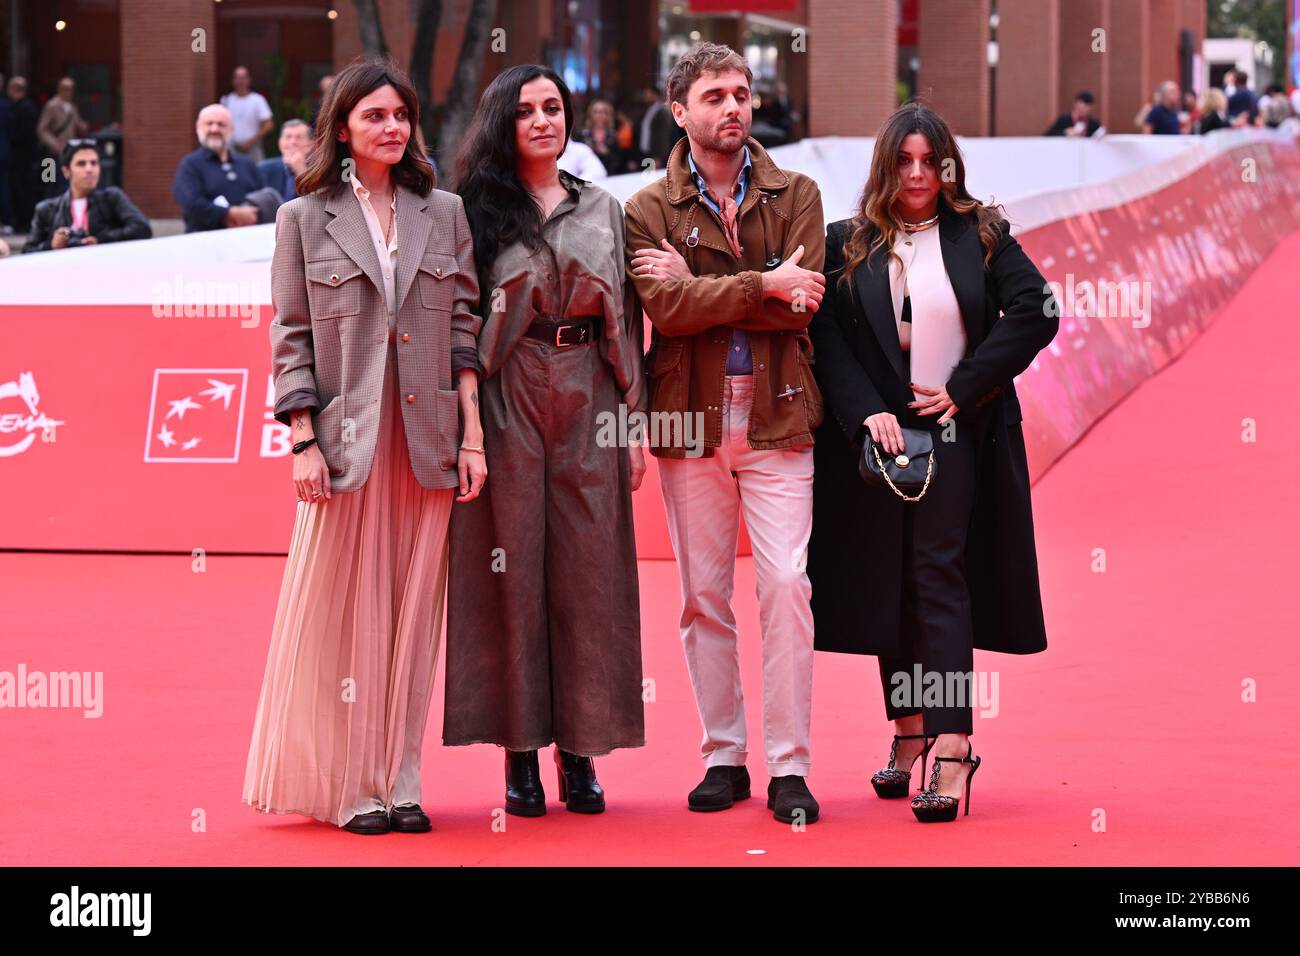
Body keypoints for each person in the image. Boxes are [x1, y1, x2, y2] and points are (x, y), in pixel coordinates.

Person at [243, 58, 485, 835]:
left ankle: (400, 781)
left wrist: (473, 437)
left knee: (414, 618)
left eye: (401, 115)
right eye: (375, 115)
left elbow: (462, 331)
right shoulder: (302, 218)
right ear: (342, 126)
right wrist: (302, 440)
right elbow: (290, 339)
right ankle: (350, 786)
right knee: (346, 615)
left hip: (428, 440)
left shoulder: (442, 211)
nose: (392, 128)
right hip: (345, 444)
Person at [806, 101, 1058, 823]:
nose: (917, 173)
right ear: (887, 166)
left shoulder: (981, 233)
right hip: (880, 444)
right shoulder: (845, 242)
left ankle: (953, 744)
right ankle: (909, 730)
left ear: (947, 166)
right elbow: (823, 334)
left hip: (955, 437)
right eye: (904, 160)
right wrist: (865, 413)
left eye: (929, 161)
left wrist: (965, 388)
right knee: (893, 583)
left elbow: (1037, 310)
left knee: (939, 578)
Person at [625, 42, 827, 825]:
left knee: (785, 587)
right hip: (689, 416)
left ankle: (789, 766)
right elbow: (665, 312)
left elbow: (802, 304)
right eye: (714, 96)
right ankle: (723, 756)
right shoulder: (646, 208)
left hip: (779, 413)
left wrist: (715, 289)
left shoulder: (797, 191)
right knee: (704, 598)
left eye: (741, 93)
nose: (733, 107)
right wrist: (761, 283)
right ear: (680, 111)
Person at [443, 64, 647, 816]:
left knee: (590, 575)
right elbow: (459, 323)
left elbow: (627, 315)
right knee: (511, 570)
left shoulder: (604, 208)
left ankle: (583, 756)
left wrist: (633, 423)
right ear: (503, 121)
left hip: (592, 387)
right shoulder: (470, 210)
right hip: (507, 391)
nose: (542, 121)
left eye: (553, 108)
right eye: (526, 110)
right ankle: (520, 757)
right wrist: (465, 424)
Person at [23, 139, 151, 252]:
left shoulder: (112, 198)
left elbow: (142, 228)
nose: (89, 169)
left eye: (94, 163)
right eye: (81, 164)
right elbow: (28, 251)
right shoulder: (46, 209)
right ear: (66, 171)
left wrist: (100, 240)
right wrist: (51, 245)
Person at [173, 104, 264, 232]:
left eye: (221, 124)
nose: (215, 129)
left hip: (246, 242)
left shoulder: (247, 164)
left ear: (231, 129)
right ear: (198, 127)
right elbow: (191, 205)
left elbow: (262, 198)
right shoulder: (190, 165)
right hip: (204, 244)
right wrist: (229, 213)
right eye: (209, 124)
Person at [36, 77, 88, 197]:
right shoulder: (51, 105)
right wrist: (52, 143)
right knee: (50, 182)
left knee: (65, 183)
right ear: (59, 89)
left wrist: (83, 126)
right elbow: (41, 129)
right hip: (51, 153)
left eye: (70, 89)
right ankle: (47, 212)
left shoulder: (72, 107)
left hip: (67, 151)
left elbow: (77, 124)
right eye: (65, 89)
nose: (68, 92)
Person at [6, 77, 41, 232]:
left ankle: (25, 221)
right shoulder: (28, 107)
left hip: (32, 159)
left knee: (26, 189)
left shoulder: (22, 108)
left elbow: (25, 133)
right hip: (39, 158)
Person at [221, 66, 274, 162]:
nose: (240, 81)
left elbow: (269, 125)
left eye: (243, 77)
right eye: (237, 77)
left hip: (253, 148)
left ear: (249, 80)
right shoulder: (226, 101)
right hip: (231, 148)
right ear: (233, 80)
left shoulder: (258, 100)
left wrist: (251, 141)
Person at [257, 118, 312, 200]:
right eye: (288, 137)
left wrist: (301, 171)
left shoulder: (320, 169)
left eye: (299, 137)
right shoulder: (263, 168)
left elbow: (317, 202)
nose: (293, 142)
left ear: (311, 144)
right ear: (280, 143)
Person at [575, 99, 627, 176]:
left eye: (603, 112)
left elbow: (620, 162)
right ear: (590, 114)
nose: (600, 115)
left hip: (610, 176)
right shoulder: (582, 134)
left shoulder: (614, 135)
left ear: (608, 115)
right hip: (587, 177)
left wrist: (607, 153)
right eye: (596, 111)